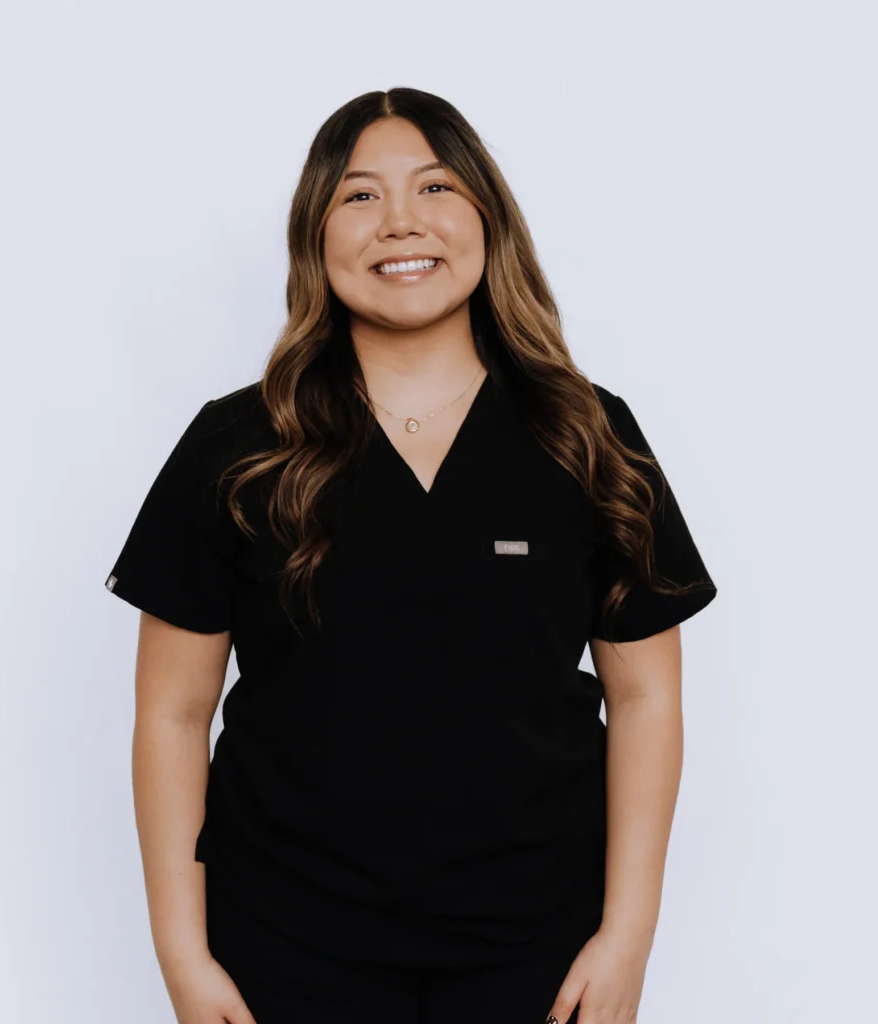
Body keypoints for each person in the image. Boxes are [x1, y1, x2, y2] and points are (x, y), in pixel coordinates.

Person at [104, 87, 718, 1024]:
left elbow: (644, 699)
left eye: (434, 187)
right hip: (284, 950)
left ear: (487, 216)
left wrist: (626, 938)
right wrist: (183, 956)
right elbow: (172, 714)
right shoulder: (237, 447)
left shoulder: (585, 434)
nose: (400, 222)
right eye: (359, 195)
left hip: (539, 954)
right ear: (314, 235)